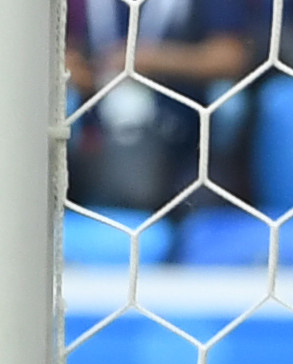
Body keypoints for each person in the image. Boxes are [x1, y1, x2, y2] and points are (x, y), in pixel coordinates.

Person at [66, 0, 261, 212]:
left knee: (206, 205)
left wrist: (149, 61)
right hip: (95, 144)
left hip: (181, 148)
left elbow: (230, 56)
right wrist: (71, 70)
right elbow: (66, 48)